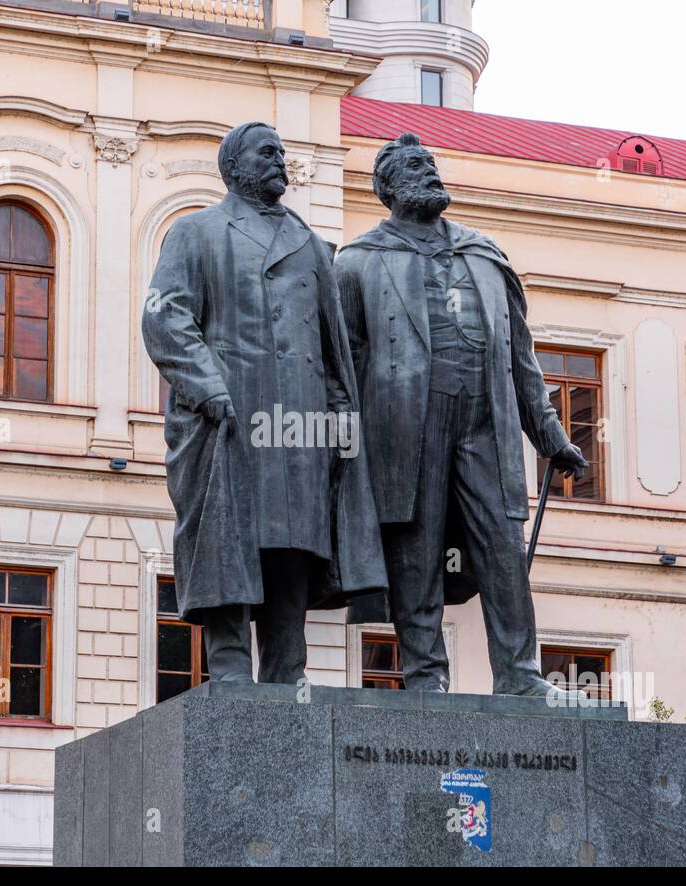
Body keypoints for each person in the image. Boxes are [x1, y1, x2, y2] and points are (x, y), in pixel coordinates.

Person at [335, 133, 588, 698]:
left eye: (431, 164)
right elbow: (342, 370)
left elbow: (521, 359)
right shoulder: (356, 263)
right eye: (413, 167)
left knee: (502, 546)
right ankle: (426, 676)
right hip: (403, 429)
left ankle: (521, 676)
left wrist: (549, 436)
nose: (428, 172)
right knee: (416, 551)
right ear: (387, 188)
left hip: (484, 423)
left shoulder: (486, 256)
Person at [142, 122, 385, 685]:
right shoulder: (197, 233)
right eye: (266, 152)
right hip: (228, 414)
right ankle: (228, 670)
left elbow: (335, 348)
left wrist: (342, 419)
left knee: (291, 546)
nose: (280, 160)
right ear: (234, 167)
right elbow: (166, 316)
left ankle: (287, 672)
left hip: (302, 422)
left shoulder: (309, 244)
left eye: (282, 151)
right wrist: (208, 387)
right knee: (229, 538)